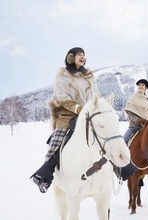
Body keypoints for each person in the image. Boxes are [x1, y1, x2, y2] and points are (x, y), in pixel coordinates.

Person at [30, 47, 99, 193]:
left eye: (84, 54)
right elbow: (61, 98)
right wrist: (78, 109)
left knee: (106, 134)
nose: (82, 56)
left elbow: (95, 97)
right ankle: (44, 174)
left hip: (87, 114)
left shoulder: (90, 76)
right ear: (71, 57)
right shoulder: (62, 75)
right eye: (79, 54)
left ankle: (118, 166)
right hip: (67, 114)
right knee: (58, 139)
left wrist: (94, 109)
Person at [118, 79, 148, 184]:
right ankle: (122, 169)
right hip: (135, 126)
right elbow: (130, 113)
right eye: (139, 85)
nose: (140, 87)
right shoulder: (133, 98)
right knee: (123, 142)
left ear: (146, 88)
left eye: (142, 85)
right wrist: (138, 120)